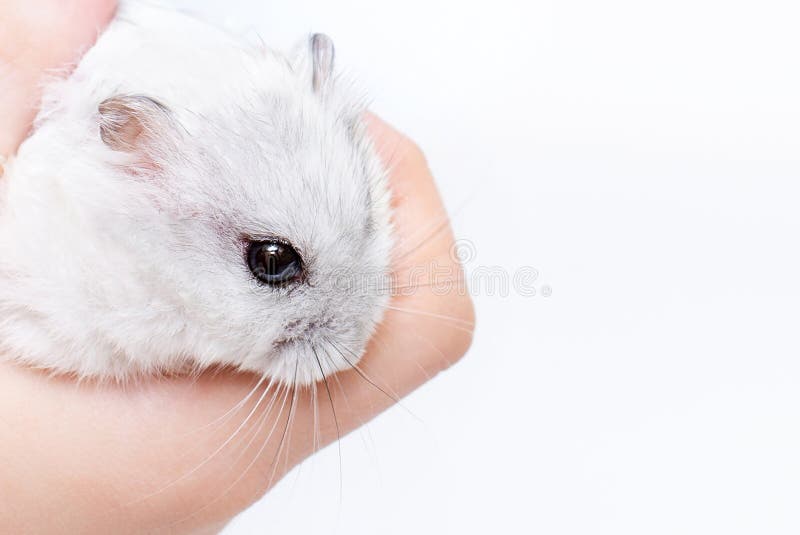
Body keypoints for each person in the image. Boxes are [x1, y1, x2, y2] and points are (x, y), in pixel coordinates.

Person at [0, 1, 474, 533]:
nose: (351, 335)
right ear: (138, 152)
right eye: (272, 264)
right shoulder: (70, 242)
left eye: (367, 228)